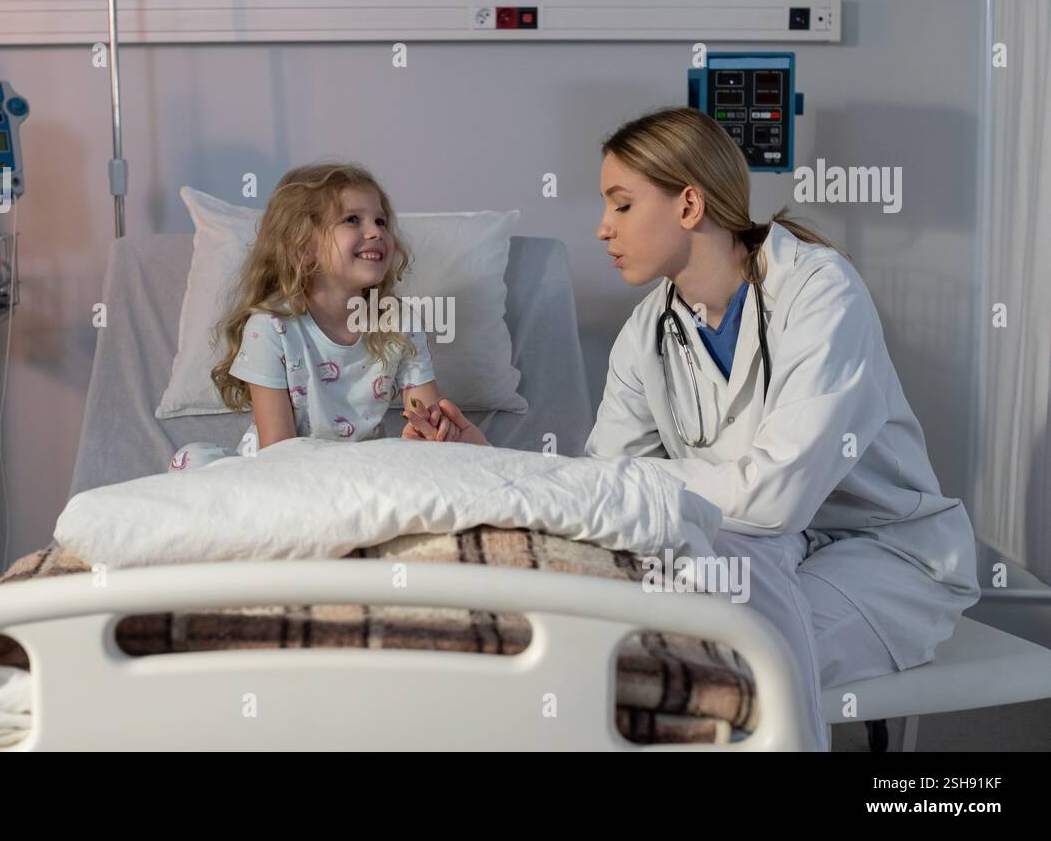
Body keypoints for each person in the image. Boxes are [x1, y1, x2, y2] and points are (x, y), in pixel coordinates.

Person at [403, 107, 981, 751]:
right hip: (755, 555)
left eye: (621, 206)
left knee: (726, 661)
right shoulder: (647, 332)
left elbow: (773, 501)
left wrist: (618, 480)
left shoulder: (820, 294)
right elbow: (603, 497)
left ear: (688, 205)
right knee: (634, 644)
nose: (601, 228)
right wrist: (499, 465)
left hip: (882, 556)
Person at [169, 162, 459, 472]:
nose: (376, 232)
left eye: (381, 221)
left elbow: (427, 421)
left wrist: (432, 433)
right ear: (303, 247)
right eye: (352, 219)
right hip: (279, 472)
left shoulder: (399, 323)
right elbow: (278, 451)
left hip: (362, 470)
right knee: (192, 460)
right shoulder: (270, 328)